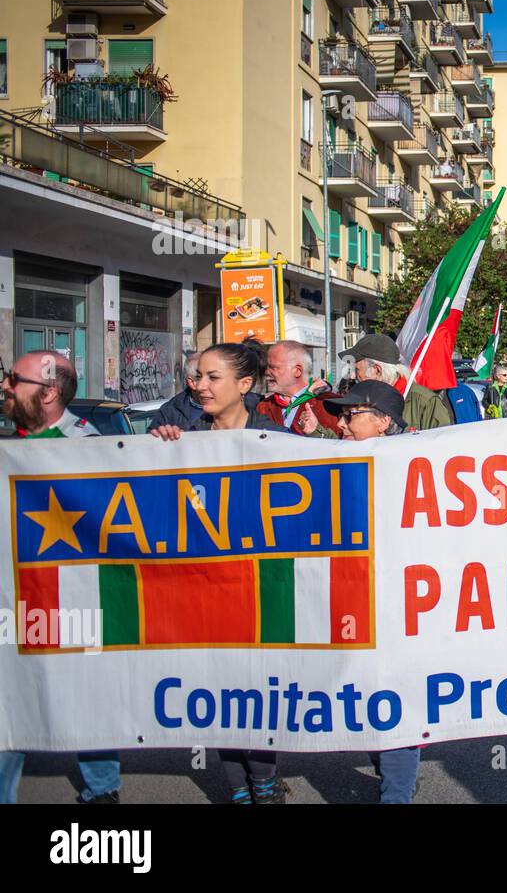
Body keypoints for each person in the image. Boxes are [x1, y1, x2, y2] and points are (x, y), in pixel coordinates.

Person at [151, 343, 290, 803]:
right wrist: (158, 453)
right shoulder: (181, 437)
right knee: (220, 697)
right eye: (197, 377)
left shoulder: (275, 439)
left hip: (261, 588)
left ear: (244, 385)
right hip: (204, 588)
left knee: (258, 696)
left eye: (213, 378)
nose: (200, 386)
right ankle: (238, 792)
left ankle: (266, 786)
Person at [0, 351, 122, 805]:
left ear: (49, 392)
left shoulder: (87, 447)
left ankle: (103, 787)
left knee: (81, 691)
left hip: (72, 598)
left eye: (16, 379)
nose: (7, 386)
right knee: (8, 695)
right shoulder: (11, 443)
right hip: (13, 598)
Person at [323, 381, 424, 802]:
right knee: (367, 694)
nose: (340, 425)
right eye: (339, 416)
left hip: (402, 602)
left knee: (394, 695)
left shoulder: (417, 462)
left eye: (351, 416)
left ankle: (396, 792)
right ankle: (392, 773)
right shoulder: (328, 458)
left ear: (384, 422)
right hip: (352, 598)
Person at [339, 334, 453, 432]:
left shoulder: (425, 402)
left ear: (377, 370)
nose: (353, 376)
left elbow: (442, 447)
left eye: (357, 369)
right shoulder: (360, 399)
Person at [258, 340, 340, 436]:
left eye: (273, 367)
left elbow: (342, 446)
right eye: (266, 367)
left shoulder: (331, 404)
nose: (267, 372)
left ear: (297, 371)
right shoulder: (263, 406)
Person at [149, 351, 204, 430]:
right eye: (211, 377)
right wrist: (167, 438)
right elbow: (150, 440)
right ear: (192, 382)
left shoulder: (226, 407)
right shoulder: (169, 411)